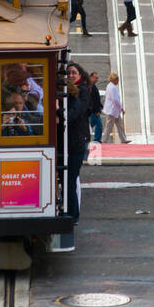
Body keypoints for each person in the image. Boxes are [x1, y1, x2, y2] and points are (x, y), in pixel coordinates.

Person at [65, 63, 92, 222]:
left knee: (70, 179)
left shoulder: (82, 91)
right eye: (68, 73)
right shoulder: (67, 90)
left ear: (80, 75)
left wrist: (62, 116)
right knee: (68, 179)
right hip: (68, 141)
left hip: (76, 142)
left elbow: (75, 112)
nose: (71, 75)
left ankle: (73, 215)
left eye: (74, 73)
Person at [102, 72, 130, 143]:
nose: (118, 81)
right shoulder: (112, 88)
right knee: (109, 126)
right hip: (112, 110)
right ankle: (104, 140)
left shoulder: (109, 86)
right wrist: (121, 108)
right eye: (117, 79)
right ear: (114, 79)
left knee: (119, 125)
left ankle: (123, 139)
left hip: (114, 110)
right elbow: (115, 100)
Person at [88, 70, 103, 144]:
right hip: (93, 111)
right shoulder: (90, 87)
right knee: (98, 125)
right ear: (91, 77)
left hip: (95, 110)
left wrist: (100, 106)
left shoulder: (93, 86)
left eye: (97, 78)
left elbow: (96, 99)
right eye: (95, 78)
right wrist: (97, 110)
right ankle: (96, 140)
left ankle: (97, 139)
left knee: (93, 125)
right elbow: (91, 100)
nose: (97, 79)